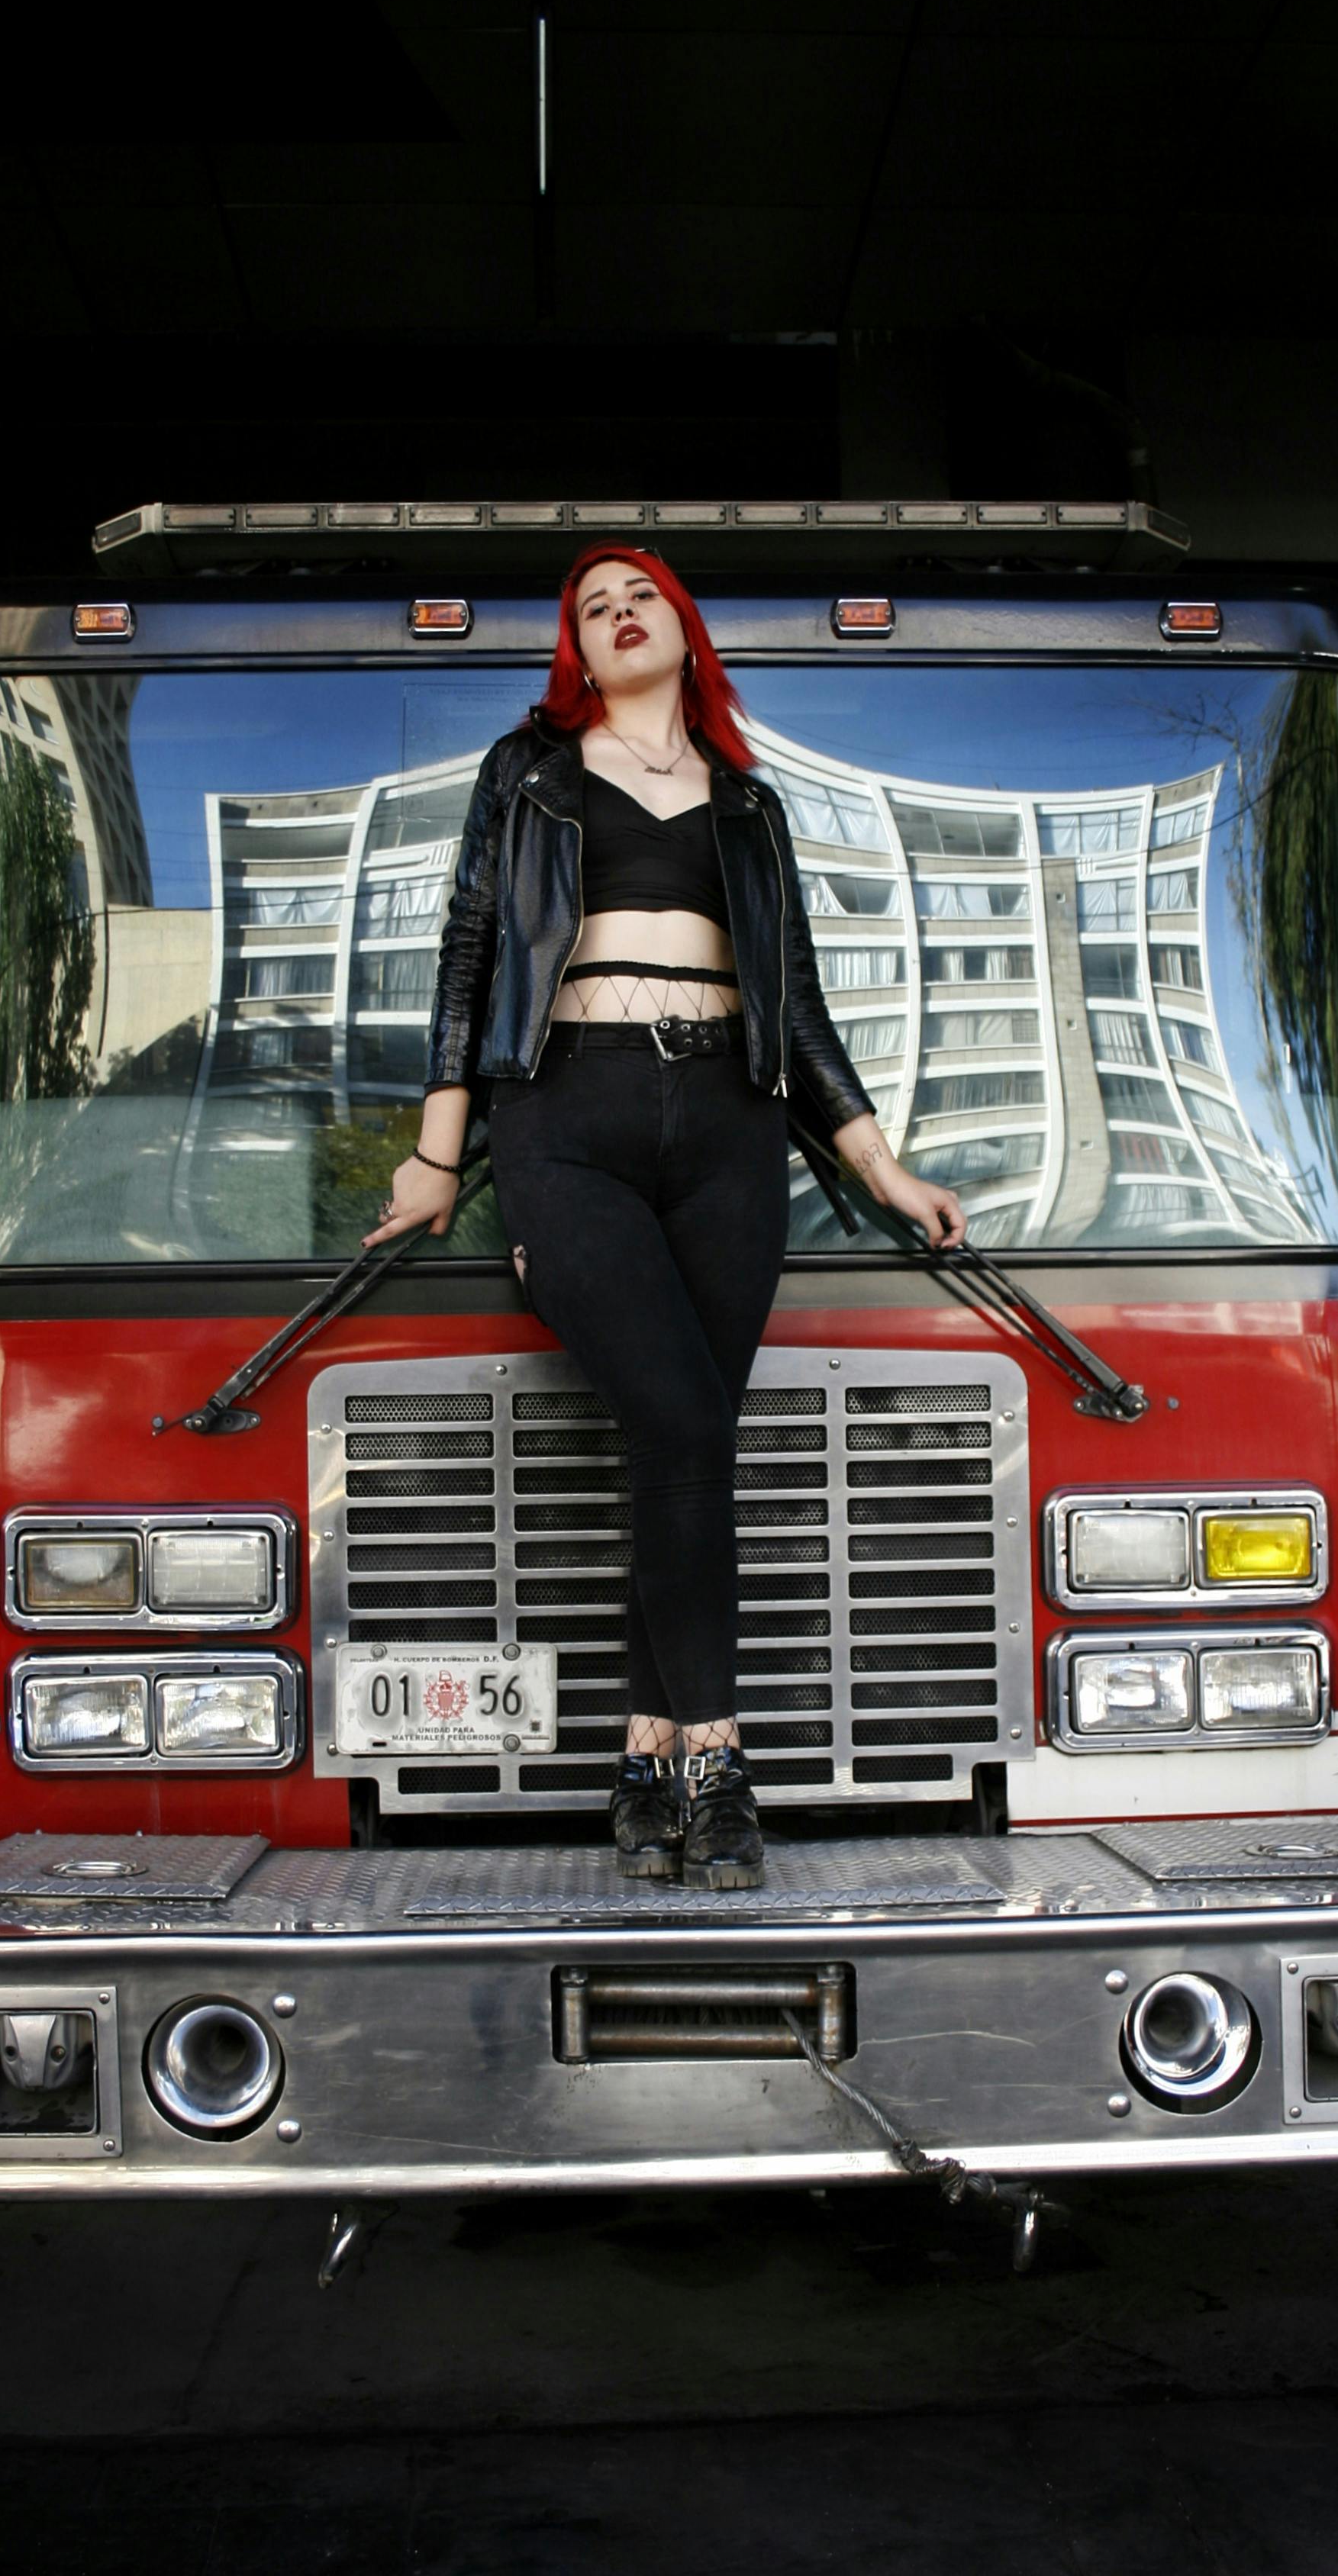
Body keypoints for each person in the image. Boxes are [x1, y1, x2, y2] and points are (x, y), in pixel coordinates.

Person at [366, 546, 965, 1889]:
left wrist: (883, 1170)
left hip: (728, 1135)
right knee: (689, 1425)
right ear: (574, 652)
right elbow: (471, 950)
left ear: (684, 633)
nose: (618, 615)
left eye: (639, 598)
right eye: (591, 608)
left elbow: (795, 1002)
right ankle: (717, 1766)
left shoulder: (747, 805)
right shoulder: (526, 773)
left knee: (672, 1445)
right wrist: (434, 1156)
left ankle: (642, 1764)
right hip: (568, 1122)